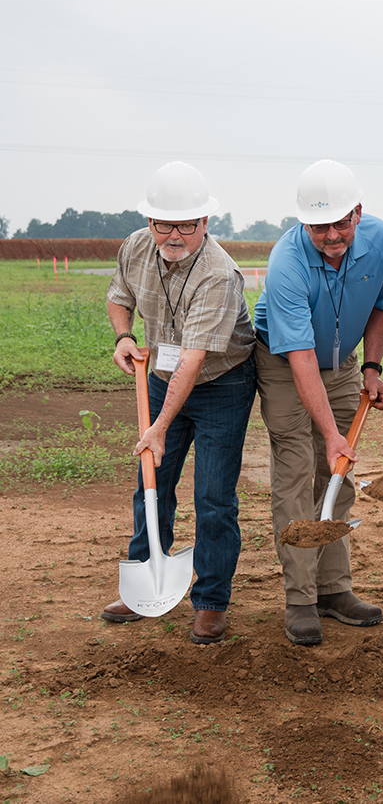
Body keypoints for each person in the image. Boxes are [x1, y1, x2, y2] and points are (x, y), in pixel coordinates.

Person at [102, 161, 257, 644]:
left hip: (221, 384)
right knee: (151, 481)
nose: (174, 234)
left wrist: (159, 426)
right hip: (161, 375)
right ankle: (144, 580)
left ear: (205, 223)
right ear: (149, 222)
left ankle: (210, 601)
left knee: (213, 498)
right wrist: (124, 335)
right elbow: (118, 296)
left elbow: (193, 361)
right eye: (163, 223)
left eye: (186, 224)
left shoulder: (218, 274)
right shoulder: (135, 246)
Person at [253, 160, 383, 646]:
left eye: (341, 222)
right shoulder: (286, 265)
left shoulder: (380, 241)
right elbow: (299, 360)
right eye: (320, 226)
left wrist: (373, 368)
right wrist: (332, 431)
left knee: (336, 473)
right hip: (284, 361)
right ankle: (300, 597)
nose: (333, 235)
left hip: (342, 364)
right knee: (297, 470)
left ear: (359, 213)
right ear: (303, 223)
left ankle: (334, 589)